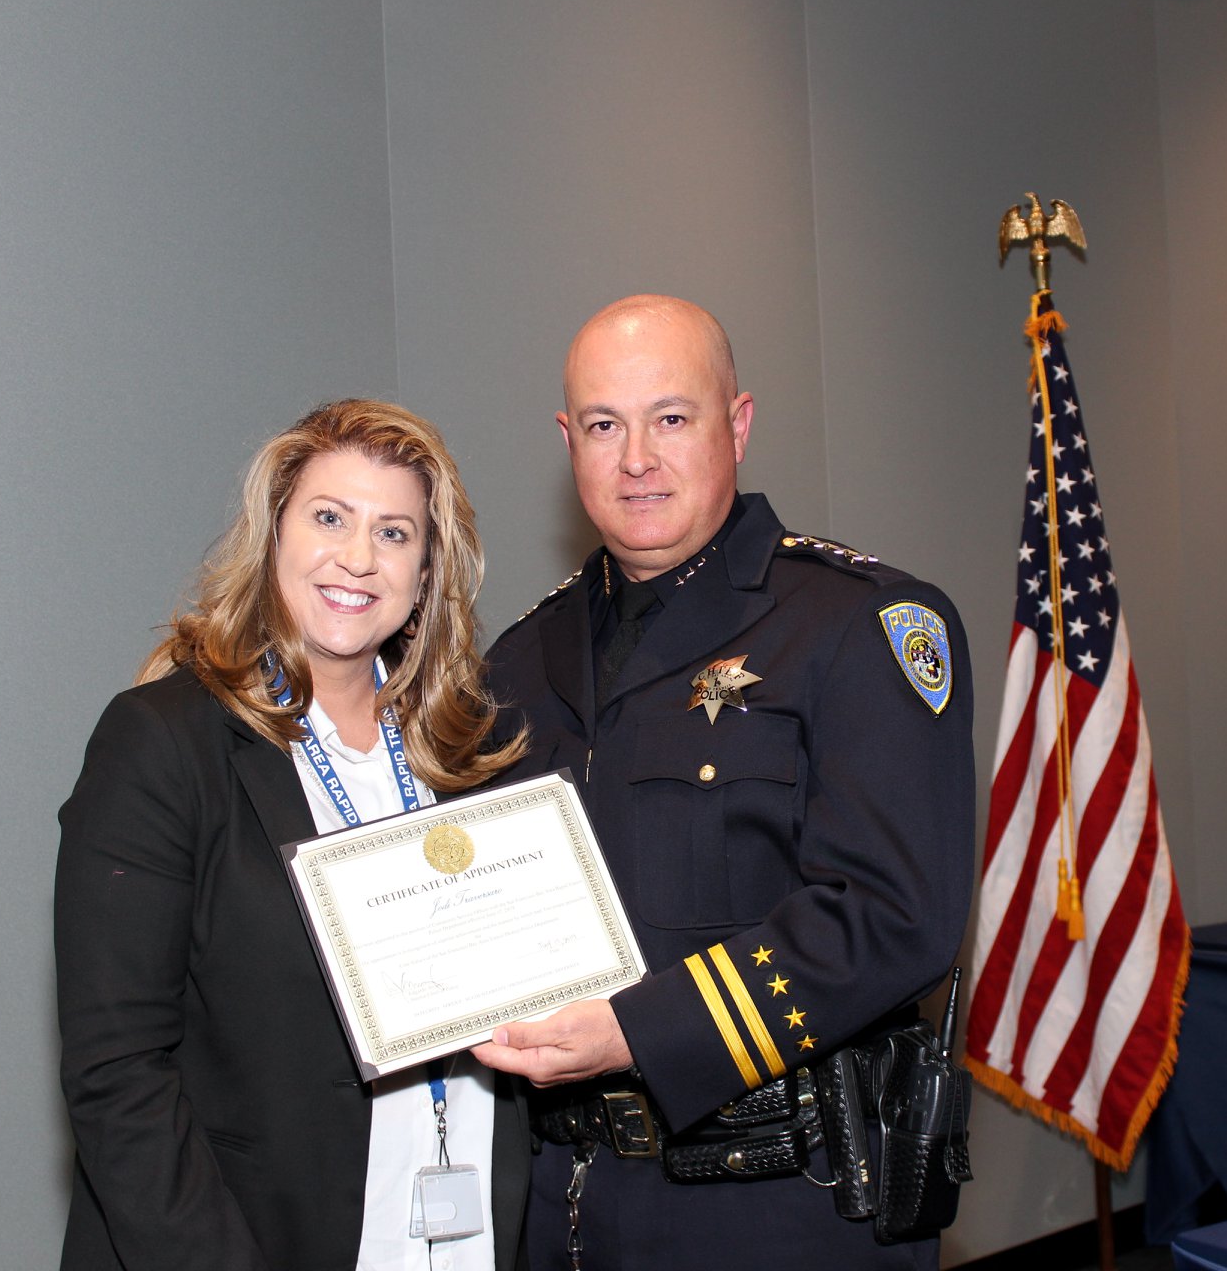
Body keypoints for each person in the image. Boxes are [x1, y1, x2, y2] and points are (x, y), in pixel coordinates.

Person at [474, 296, 975, 1269]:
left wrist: (636, 1032)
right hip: (558, 1202)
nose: (636, 459)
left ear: (736, 424)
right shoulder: (519, 660)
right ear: (565, 440)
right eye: (603, 426)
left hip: (773, 1204)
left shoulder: (857, 626)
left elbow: (893, 918)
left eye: (671, 418)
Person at [55, 400, 532, 1271]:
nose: (357, 558)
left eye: (394, 533)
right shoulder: (163, 742)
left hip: (461, 1237)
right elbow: (116, 1075)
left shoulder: (469, 758)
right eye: (328, 518)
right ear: (272, 535)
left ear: (427, 572)